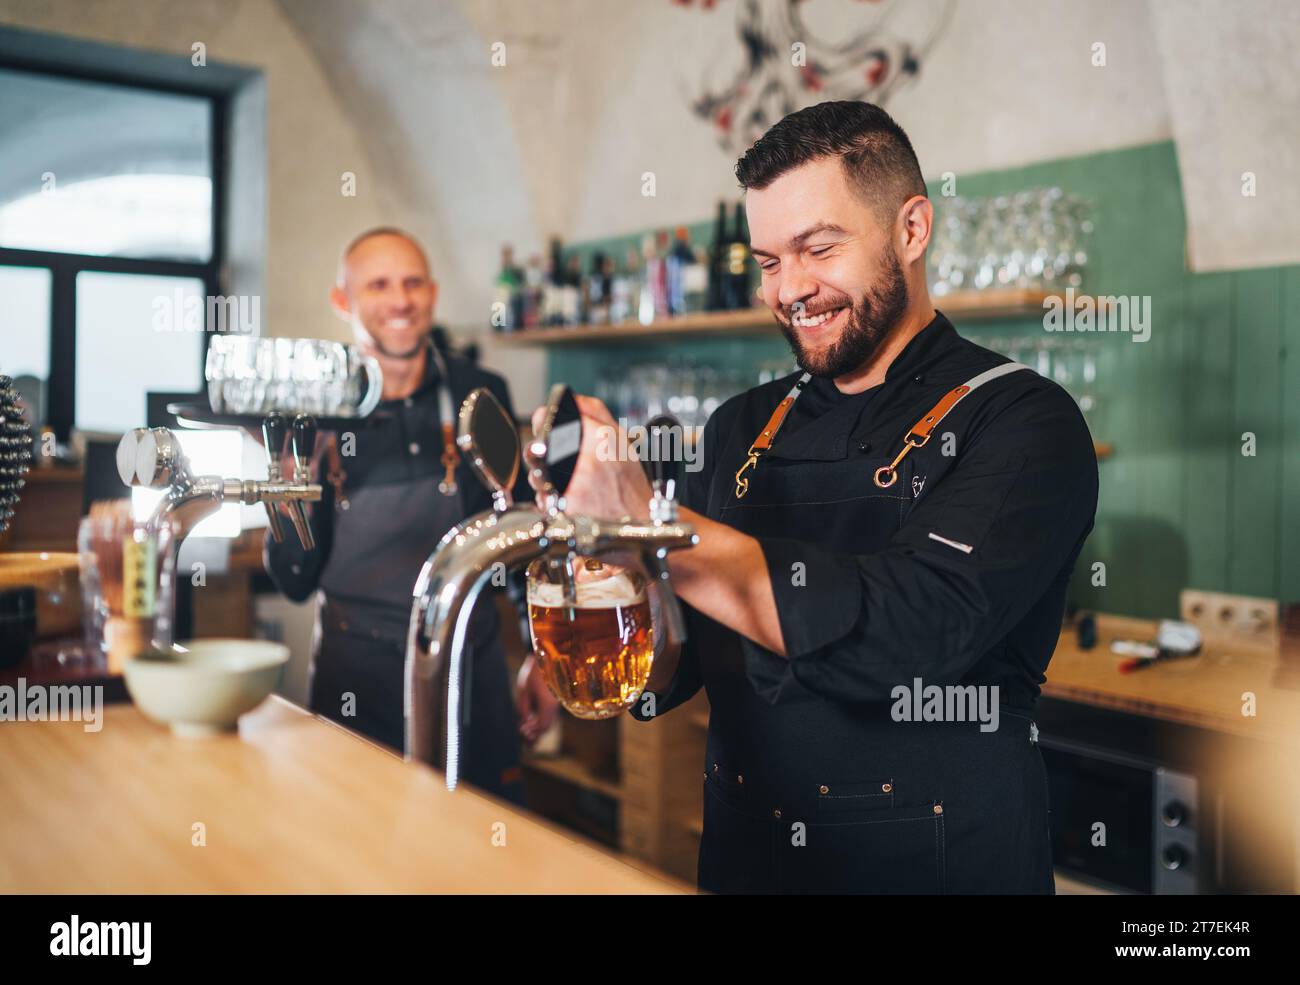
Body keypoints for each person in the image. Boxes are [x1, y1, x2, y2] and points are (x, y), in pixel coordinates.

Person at [531, 102, 1098, 893]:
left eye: (817, 248)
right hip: (745, 863)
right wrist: (612, 581)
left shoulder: (1021, 419)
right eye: (768, 261)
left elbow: (909, 631)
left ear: (911, 230)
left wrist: (656, 525)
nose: (791, 288)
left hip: (939, 869)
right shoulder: (741, 427)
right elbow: (679, 662)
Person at [265, 227, 558, 802]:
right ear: (343, 301)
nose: (400, 300)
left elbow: (518, 537)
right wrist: (289, 479)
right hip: (356, 682)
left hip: (468, 673)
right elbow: (293, 581)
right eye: (378, 285)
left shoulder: (479, 393)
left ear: (433, 292)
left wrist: (541, 655)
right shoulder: (309, 412)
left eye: (412, 282)